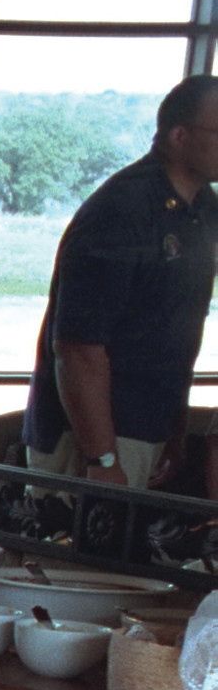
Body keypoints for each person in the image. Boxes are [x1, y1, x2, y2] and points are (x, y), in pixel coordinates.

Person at [24, 74, 218, 489]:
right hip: (93, 436)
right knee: (73, 553)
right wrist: (103, 458)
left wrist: (173, 428)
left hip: (146, 427)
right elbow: (78, 349)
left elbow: (181, 329)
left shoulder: (202, 209)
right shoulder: (121, 211)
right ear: (179, 135)